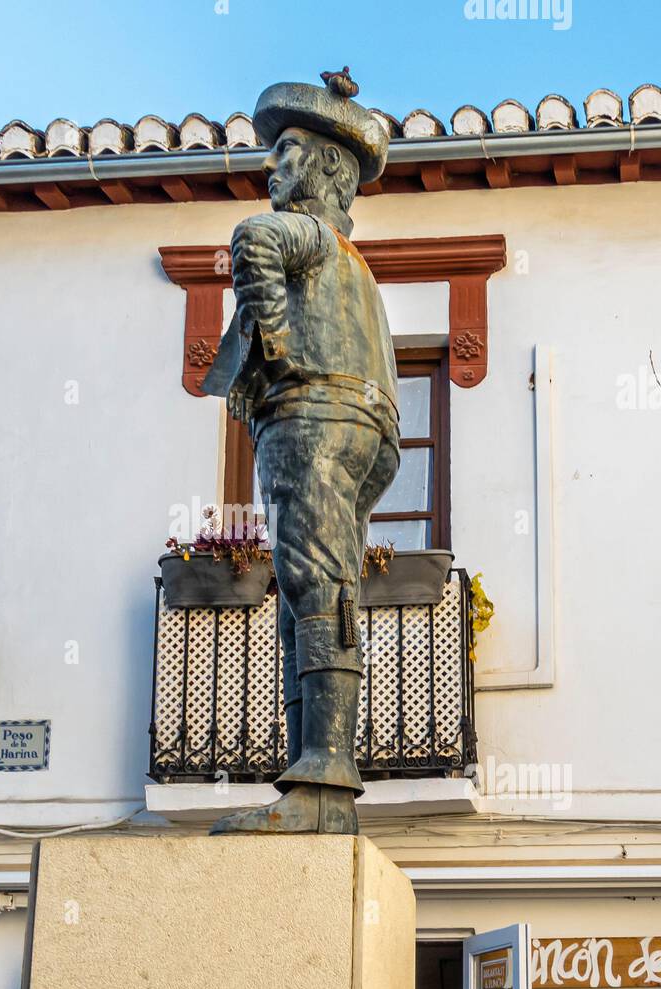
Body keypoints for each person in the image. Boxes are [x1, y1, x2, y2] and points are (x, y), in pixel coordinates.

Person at [204, 69, 399, 834]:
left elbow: (251, 240)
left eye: (286, 152)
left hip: (314, 420)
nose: (272, 168)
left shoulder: (311, 238)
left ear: (324, 167)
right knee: (321, 588)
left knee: (310, 588)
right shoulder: (361, 273)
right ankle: (314, 767)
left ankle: (320, 779)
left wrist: (276, 346)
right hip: (367, 432)